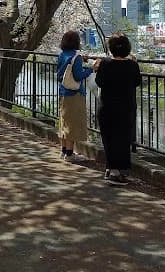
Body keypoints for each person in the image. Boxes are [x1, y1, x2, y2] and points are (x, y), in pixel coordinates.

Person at [93, 33, 142, 186]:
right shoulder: (132, 65)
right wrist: (134, 64)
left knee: (108, 138)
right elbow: (137, 82)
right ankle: (117, 171)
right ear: (127, 48)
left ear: (111, 48)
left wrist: (96, 68)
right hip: (126, 108)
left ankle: (111, 169)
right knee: (123, 139)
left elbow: (99, 82)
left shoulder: (105, 64)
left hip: (106, 107)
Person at [57, 30, 92, 163]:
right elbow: (78, 76)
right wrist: (91, 69)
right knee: (72, 123)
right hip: (75, 94)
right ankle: (70, 154)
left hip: (63, 92)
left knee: (64, 121)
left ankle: (64, 151)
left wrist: (80, 60)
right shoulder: (75, 57)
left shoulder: (62, 55)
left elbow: (63, 72)